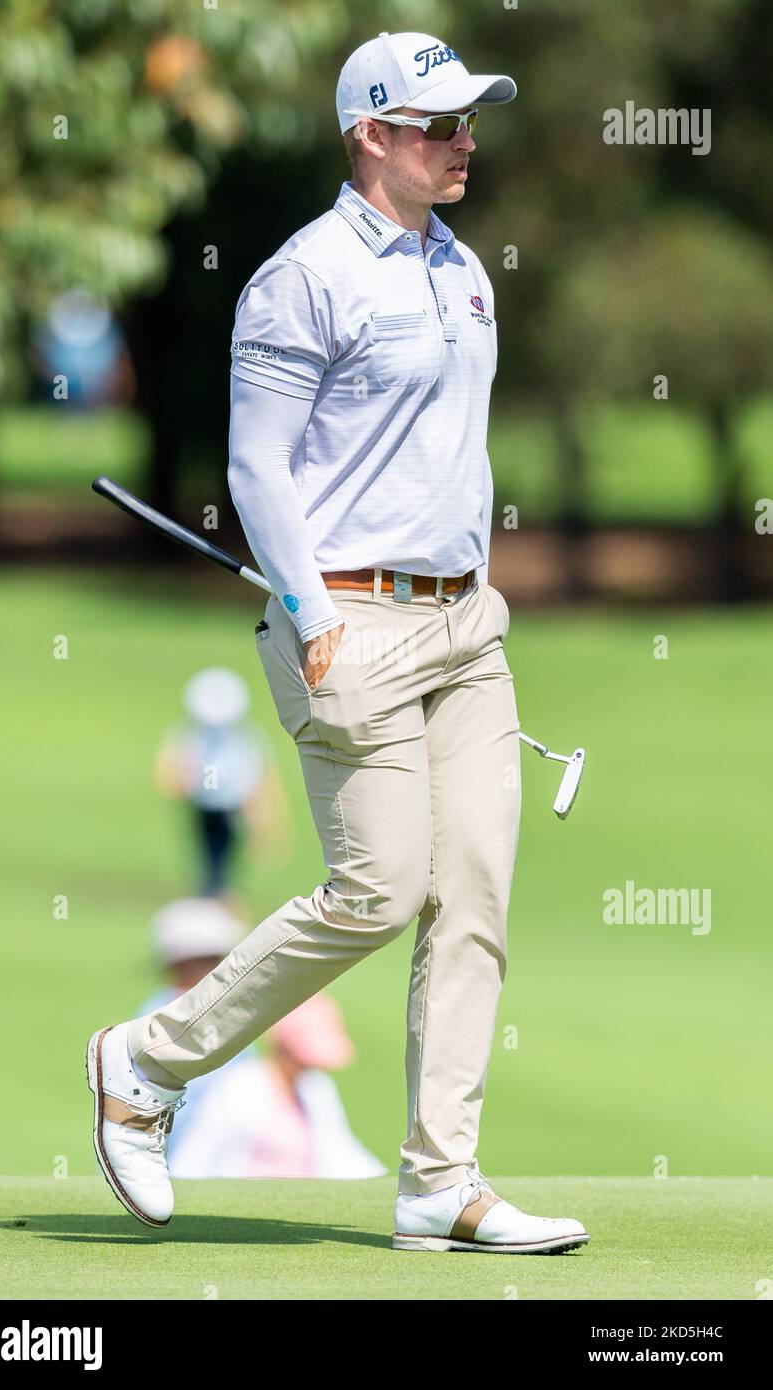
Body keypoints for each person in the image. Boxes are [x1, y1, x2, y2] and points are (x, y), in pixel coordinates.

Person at [87, 30, 589, 1255]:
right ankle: (145, 1062)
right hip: (346, 618)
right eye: (438, 123)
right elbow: (258, 462)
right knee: (378, 889)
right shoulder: (299, 277)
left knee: (471, 893)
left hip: (467, 625)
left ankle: (440, 1181)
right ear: (370, 133)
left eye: (470, 122)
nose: (464, 141)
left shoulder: (462, 268)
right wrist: (312, 614)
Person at [168, 994, 387, 1180]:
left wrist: (382, 1181)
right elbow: (198, 1153)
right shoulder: (242, 1085)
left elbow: (340, 1149)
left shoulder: (317, 1087)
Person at [153, 668, 291, 899]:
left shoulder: (245, 738)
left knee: (221, 863)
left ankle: (217, 898)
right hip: (203, 807)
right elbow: (171, 771)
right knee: (208, 859)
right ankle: (213, 897)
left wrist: (262, 822)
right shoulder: (191, 734)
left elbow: (258, 780)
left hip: (230, 808)